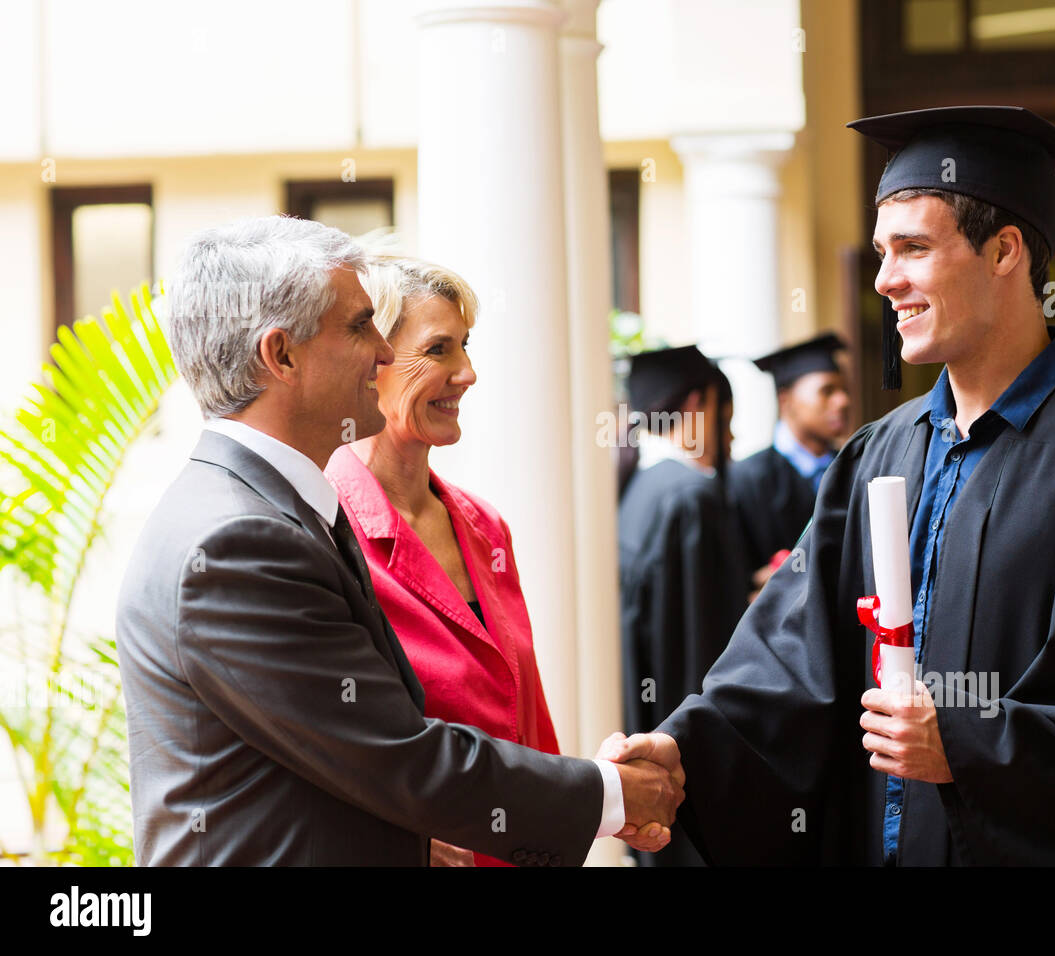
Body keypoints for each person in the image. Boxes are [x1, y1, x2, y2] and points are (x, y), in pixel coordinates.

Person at [603, 106, 1055, 865]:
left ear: (1005, 251)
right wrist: (680, 756)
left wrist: (968, 742)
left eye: (914, 248)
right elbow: (791, 657)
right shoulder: (877, 455)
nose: (886, 281)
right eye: (883, 252)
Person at [116, 216, 681, 866]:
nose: (384, 354)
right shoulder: (240, 540)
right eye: (360, 327)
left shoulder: (270, 510)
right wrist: (615, 794)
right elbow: (397, 756)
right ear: (282, 355)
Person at [323, 248, 563, 866]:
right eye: (438, 350)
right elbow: (323, 747)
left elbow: (526, 713)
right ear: (373, 359)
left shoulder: (487, 527)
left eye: (466, 346)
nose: (468, 372)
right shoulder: (322, 527)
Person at [617, 345, 749, 866]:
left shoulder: (638, 491)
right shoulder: (690, 500)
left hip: (642, 736)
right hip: (683, 772)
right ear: (697, 404)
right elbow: (703, 654)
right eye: (727, 419)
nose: (732, 438)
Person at [729, 333, 852, 598]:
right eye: (827, 391)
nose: (843, 401)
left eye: (844, 390)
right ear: (786, 401)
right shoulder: (745, 479)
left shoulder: (853, 467)